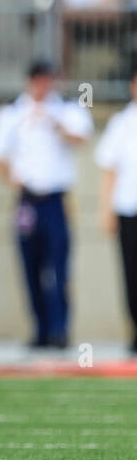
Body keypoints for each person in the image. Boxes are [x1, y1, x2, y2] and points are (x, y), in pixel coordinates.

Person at [0, 60, 94, 349]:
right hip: (27, 200)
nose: (42, 86)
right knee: (30, 266)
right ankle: (40, 329)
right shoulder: (12, 112)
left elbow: (82, 137)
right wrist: (13, 179)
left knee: (59, 268)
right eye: (37, 80)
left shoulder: (67, 108)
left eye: (47, 79)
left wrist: (53, 124)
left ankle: (60, 330)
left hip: (56, 200)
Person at [96, 64, 137, 353]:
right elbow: (109, 171)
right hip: (129, 210)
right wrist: (105, 210)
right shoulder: (121, 123)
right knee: (131, 274)